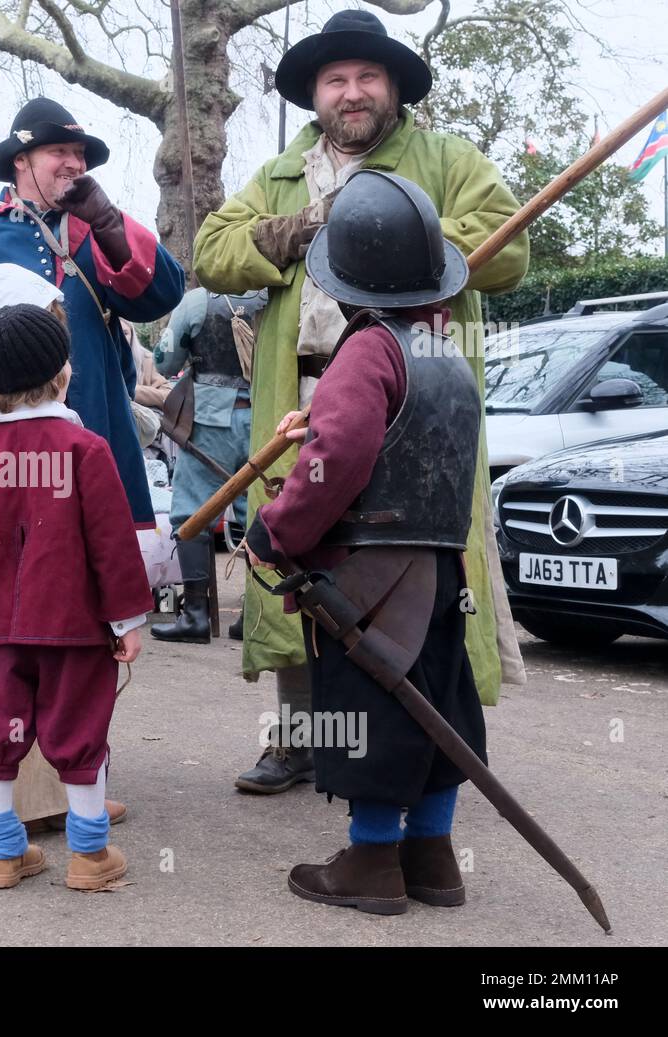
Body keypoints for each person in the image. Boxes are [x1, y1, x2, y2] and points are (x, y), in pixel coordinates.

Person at [192, 8, 528, 794]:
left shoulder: (445, 160)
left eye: (366, 77)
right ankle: (301, 741)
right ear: (316, 94)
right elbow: (213, 251)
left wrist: (387, 229)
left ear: (393, 87)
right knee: (303, 571)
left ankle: (429, 750)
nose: (351, 92)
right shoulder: (280, 172)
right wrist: (298, 228)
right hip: (304, 401)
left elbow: (505, 246)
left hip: (413, 400)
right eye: (335, 79)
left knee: (416, 570)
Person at [246, 170, 487, 914]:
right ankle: (434, 857)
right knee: (438, 705)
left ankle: (372, 862)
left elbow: (339, 455)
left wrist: (277, 527)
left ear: (349, 283)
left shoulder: (369, 350)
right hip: (443, 572)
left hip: (367, 579)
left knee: (370, 710)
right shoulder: (449, 352)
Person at [0, 96, 186, 550]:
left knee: (85, 563)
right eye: (60, 151)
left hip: (89, 423)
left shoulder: (98, 228)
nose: (74, 163)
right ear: (21, 161)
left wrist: (109, 221)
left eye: (80, 155)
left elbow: (162, 294)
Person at [0, 303, 151, 890]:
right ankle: (89, 856)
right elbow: (113, 545)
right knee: (78, 731)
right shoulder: (85, 451)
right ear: (62, 374)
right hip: (73, 630)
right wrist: (127, 620)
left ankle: (3, 852)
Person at [149, 286, 263, 645]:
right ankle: (258, 617)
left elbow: (165, 361)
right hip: (265, 418)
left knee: (192, 514)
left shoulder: (199, 300)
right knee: (258, 514)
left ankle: (196, 614)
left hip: (211, 423)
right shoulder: (274, 297)